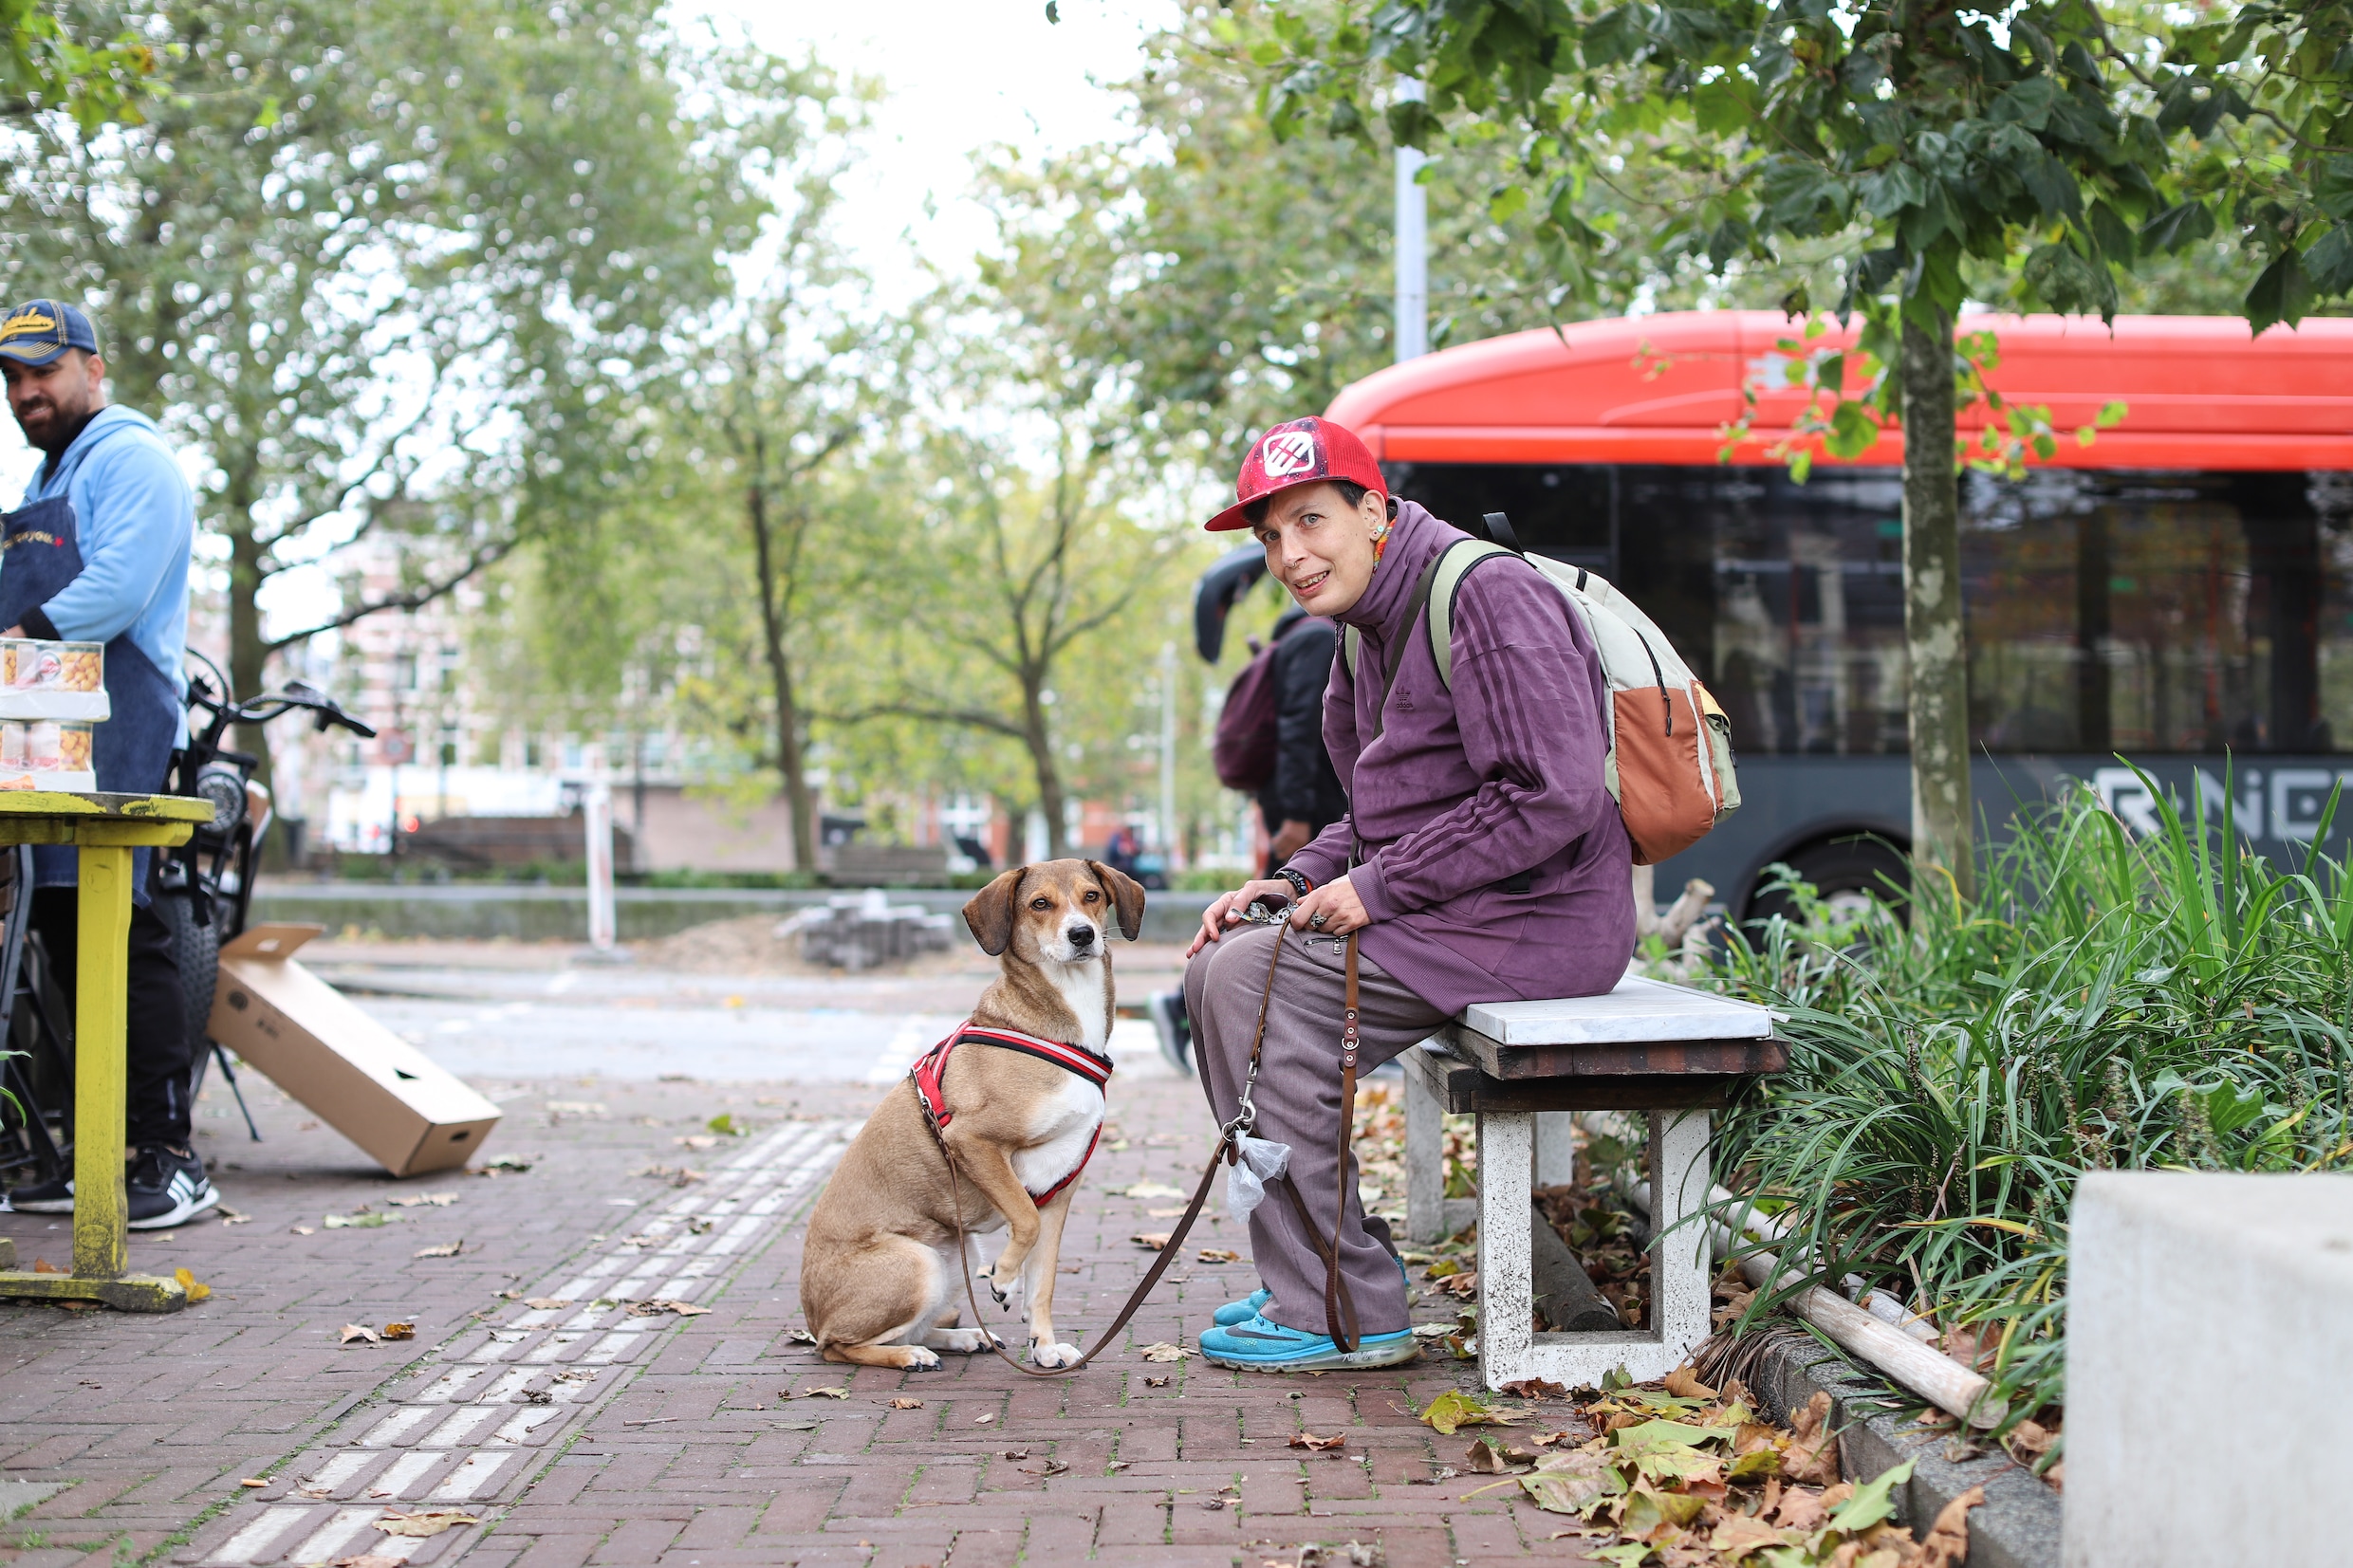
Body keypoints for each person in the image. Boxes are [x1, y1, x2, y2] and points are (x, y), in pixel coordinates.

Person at [1182, 415, 1635, 1371]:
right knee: (1220, 962)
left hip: (1541, 919)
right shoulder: (1361, 630)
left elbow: (1549, 792)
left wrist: (1378, 886)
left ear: (1373, 511)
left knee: (1251, 983)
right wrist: (1294, 877)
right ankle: (1309, 1275)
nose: (1289, 555)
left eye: (1310, 522)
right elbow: (1383, 814)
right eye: (1269, 538)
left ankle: (1340, 1309)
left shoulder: (1485, 595)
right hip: (1461, 911)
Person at [0, 299, 211, 1229]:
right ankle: (95, 1160)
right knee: (60, 923)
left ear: (94, 366)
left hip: (114, 708)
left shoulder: (131, 458)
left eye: (44, 369)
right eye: (12, 376)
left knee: (123, 925)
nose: (26, 390)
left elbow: (118, 587)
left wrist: (16, 639)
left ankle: (168, 1158)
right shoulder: (54, 471)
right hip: (45, 714)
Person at [1149, 598, 1347, 1074]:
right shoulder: (1317, 639)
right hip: (1307, 803)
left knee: (1269, 897)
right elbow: (1300, 728)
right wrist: (1297, 816)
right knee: (1272, 901)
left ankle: (1189, 1006)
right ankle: (1182, 1007)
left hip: (1295, 799)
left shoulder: (1294, 638)